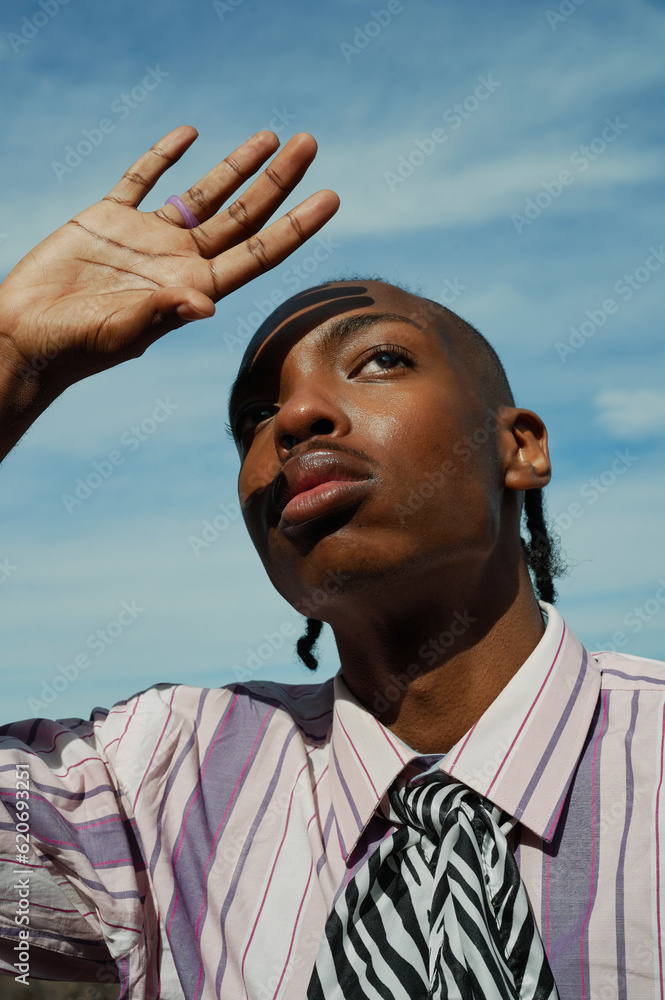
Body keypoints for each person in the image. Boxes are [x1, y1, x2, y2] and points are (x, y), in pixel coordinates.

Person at [0, 126, 662, 1000]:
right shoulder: (148, 781)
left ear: (521, 448)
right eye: (254, 416)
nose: (298, 416)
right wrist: (9, 356)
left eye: (379, 361)